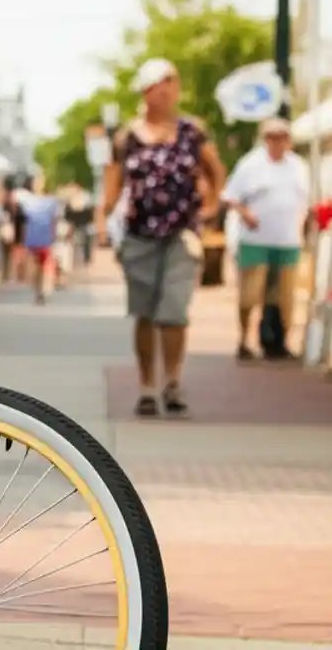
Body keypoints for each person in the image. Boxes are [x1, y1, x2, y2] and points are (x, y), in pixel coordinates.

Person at [103, 58, 227, 416]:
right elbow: (113, 186)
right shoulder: (127, 138)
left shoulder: (192, 132)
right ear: (146, 90)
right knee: (144, 312)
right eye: (162, 83)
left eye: (172, 82)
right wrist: (103, 222)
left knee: (173, 310)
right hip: (140, 233)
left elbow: (215, 170)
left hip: (181, 233)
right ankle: (146, 385)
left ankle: (172, 381)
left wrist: (211, 205)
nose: (169, 90)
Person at [222, 117, 310, 361]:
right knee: (250, 294)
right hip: (255, 238)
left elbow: (306, 199)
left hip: (287, 239)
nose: (278, 143)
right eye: (272, 137)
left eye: (282, 137)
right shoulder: (251, 164)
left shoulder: (297, 166)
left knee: (283, 296)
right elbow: (230, 196)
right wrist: (245, 213)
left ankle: (277, 341)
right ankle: (243, 339)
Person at [19, 177, 61, 304]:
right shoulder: (50, 202)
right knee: (41, 265)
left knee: (39, 265)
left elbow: (25, 221)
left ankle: (39, 290)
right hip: (40, 236)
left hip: (36, 236)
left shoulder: (28, 201)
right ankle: (40, 290)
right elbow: (54, 220)